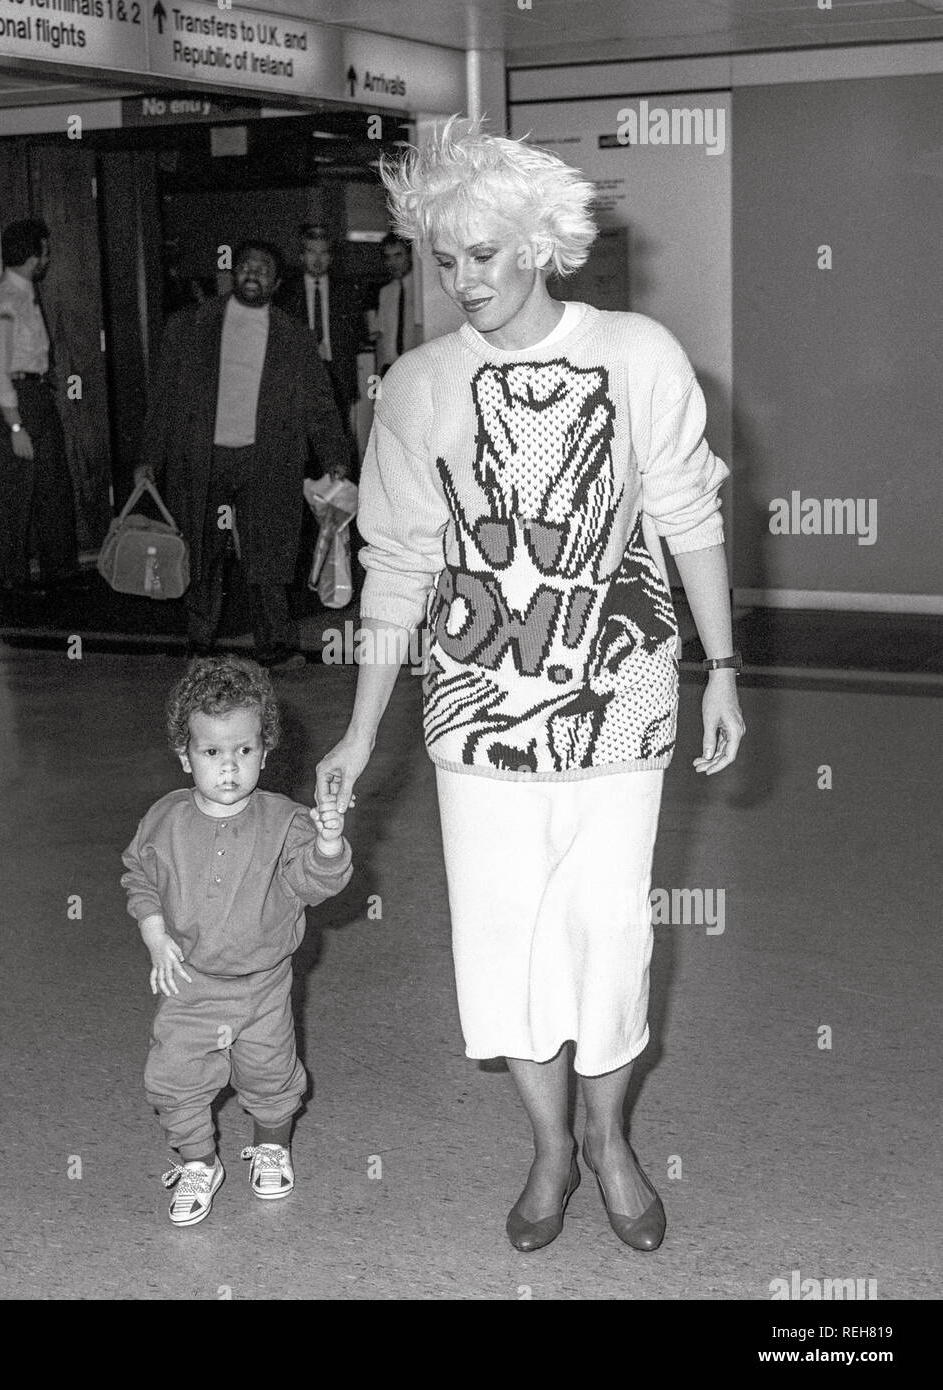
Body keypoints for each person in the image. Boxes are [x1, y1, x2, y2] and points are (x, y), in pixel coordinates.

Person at [315, 121, 745, 1255]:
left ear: (545, 247)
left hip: (621, 699)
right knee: (504, 947)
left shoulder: (641, 355)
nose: (464, 284)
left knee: (606, 935)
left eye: (487, 257)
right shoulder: (417, 385)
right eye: (446, 259)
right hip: (475, 716)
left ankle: (610, 1140)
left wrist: (723, 670)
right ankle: (551, 1148)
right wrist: (362, 732)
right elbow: (398, 563)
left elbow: (689, 514)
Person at [121, 654, 353, 1226]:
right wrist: (154, 932)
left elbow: (314, 884)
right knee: (172, 1079)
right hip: (189, 984)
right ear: (184, 755)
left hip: (263, 985)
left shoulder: (286, 822)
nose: (230, 767)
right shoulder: (164, 819)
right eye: (212, 752)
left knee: (271, 1074)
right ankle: (199, 1163)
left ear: (266, 752)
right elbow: (140, 875)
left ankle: (272, 1144)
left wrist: (327, 845)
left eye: (244, 751)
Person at [140, 240, 351, 672]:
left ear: (276, 283)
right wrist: (149, 458)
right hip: (204, 459)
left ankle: (275, 643)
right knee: (200, 550)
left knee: (268, 554)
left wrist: (334, 456)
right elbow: (162, 398)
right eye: (247, 267)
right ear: (233, 273)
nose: (254, 274)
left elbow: (318, 401)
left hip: (266, 461)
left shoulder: (293, 336)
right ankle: (199, 641)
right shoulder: (192, 325)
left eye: (264, 270)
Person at [0, 218, 82, 596]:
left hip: (34, 394)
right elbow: (0, 373)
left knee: (52, 484)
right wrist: (16, 427)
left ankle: (60, 570)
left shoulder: (22, 293)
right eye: (45, 249)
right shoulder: (7, 300)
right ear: (31, 253)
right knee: (18, 489)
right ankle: (10, 576)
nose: (48, 257)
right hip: (20, 399)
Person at [275, 224, 367, 435]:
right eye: (310, 251)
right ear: (301, 256)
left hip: (337, 378)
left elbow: (358, 334)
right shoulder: (285, 295)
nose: (317, 259)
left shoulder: (347, 292)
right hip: (298, 376)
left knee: (338, 437)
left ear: (331, 257)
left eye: (323, 252)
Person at [374, 232, 421, 375]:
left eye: (398, 255)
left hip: (416, 368)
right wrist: (375, 387)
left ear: (410, 255)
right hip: (389, 369)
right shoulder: (385, 292)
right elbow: (381, 339)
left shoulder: (421, 289)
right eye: (387, 257)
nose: (392, 263)